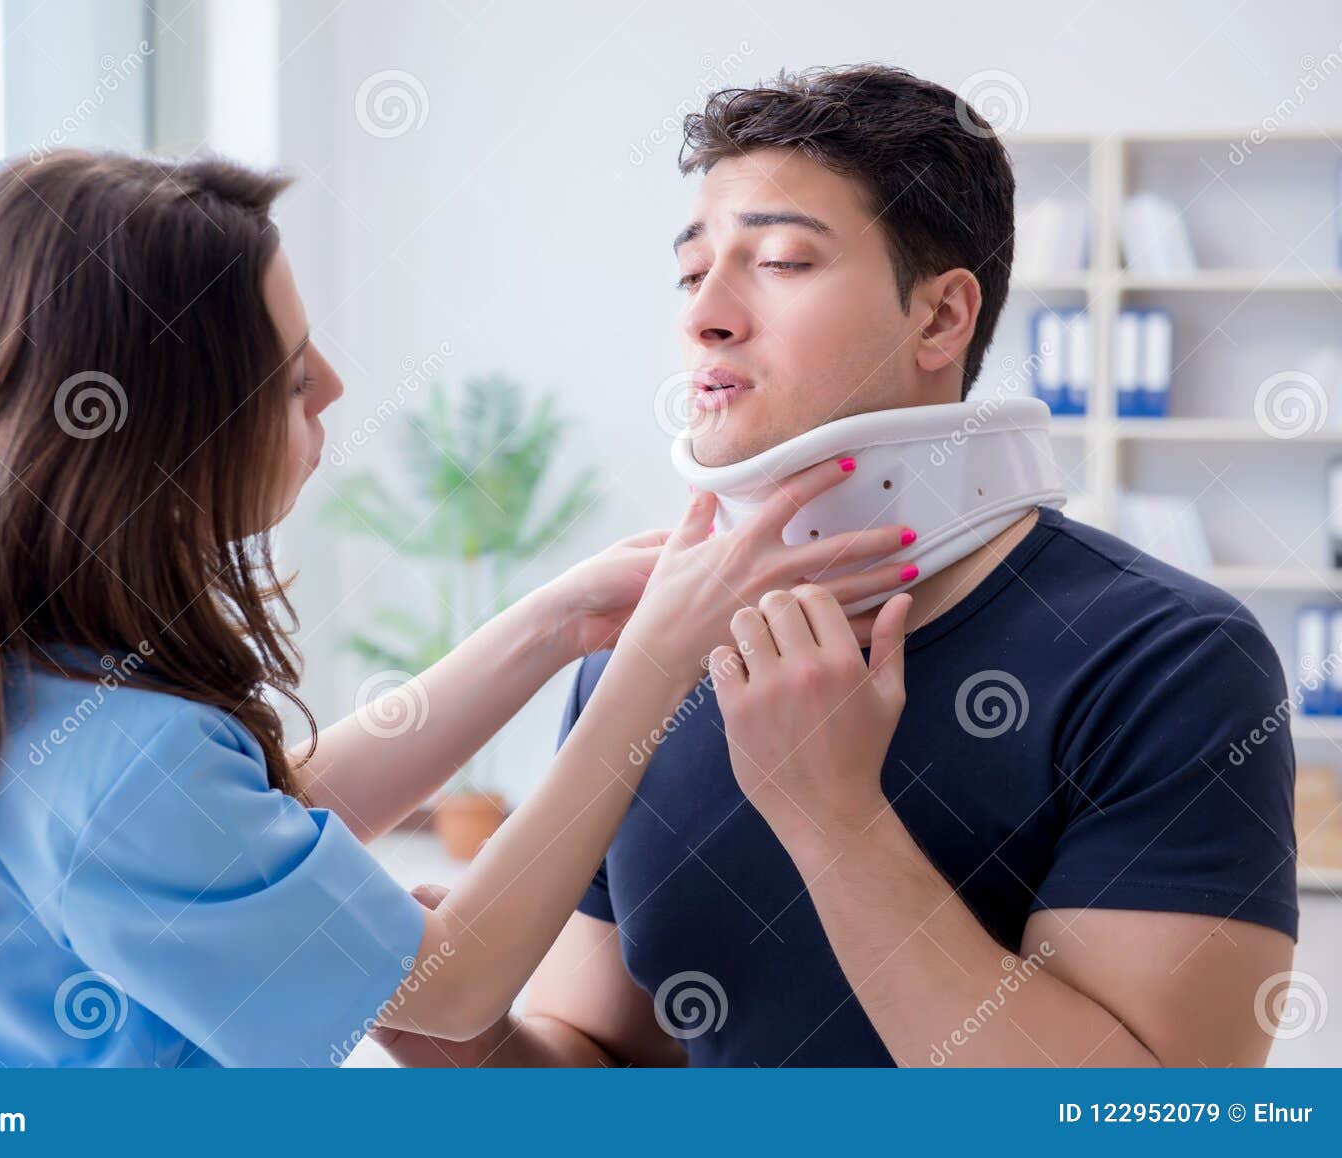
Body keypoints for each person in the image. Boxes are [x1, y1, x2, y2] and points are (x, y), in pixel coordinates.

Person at [0, 150, 915, 1067]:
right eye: (288, 368)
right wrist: (653, 660)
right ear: (163, 430)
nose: (333, 386)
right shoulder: (123, 764)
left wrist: (556, 622)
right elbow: (453, 992)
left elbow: (245, 823)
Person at [375, 65, 1299, 1069]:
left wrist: (833, 817)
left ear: (940, 319)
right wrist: (446, 1032)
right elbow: (602, 1066)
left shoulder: (1164, 662)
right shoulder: (643, 660)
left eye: (776, 260)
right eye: (692, 273)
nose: (705, 316)